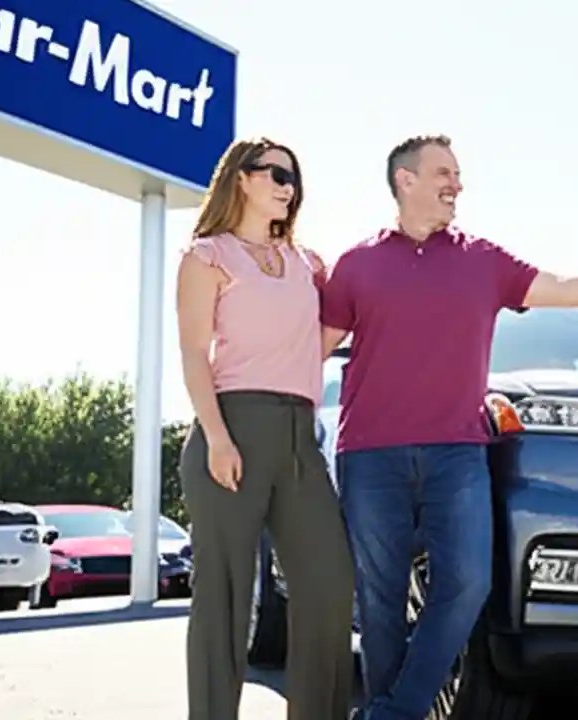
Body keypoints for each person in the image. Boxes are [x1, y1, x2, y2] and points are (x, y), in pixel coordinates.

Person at [319, 134, 578, 720]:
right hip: (371, 453)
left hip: (458, 453)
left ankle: (392, 712)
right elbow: (314, 347)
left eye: (459, 174)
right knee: (380, 600)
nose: (457, 185)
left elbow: (566, 290)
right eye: (444, 172)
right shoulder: (356, 264)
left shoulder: (482, 260)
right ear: (405, 181)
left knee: (468, 583)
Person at [175, 137, 355, 720]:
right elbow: (194, 354)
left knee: (329, 587)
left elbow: (321, 339)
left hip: (300, 436)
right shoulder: (207, 256)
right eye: (275, 173)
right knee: (223, 601)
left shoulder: (310, 265)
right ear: (241, 179)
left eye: (293, 178)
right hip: (232, 429)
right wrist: (218, 438)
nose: (287, 186)